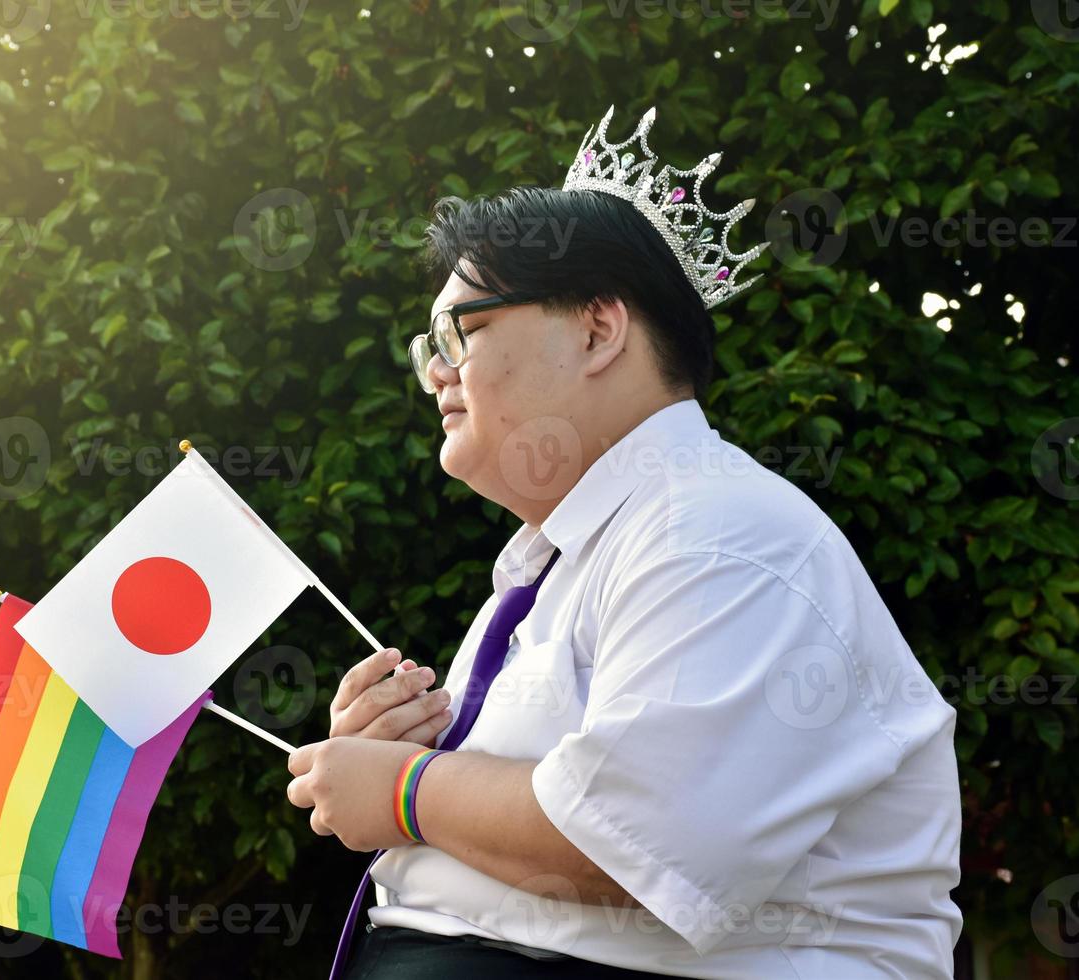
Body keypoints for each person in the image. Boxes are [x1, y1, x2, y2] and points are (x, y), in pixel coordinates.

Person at [283, 107, 963, 979]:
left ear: (599, 330)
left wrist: (407, 791)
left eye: (462, 331)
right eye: (431, 348)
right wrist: (397, 756)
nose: (438, 374)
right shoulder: (576, 554)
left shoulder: (721, 535)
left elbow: (636, 837)